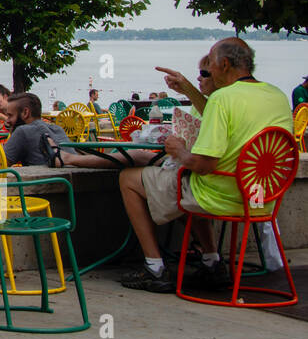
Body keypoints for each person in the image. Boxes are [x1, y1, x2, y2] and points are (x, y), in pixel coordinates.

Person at [120, 38, 292, 292]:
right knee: (189, 181)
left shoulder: (223, 99)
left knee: (129, 178)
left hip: (221, 196)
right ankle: (212, 262)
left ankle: (154, 268)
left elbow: (202, 165)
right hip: (262, 198)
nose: (207, 71)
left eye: (209, 65)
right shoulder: (276, 95)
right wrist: (189, 89)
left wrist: (179, 151)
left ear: (223, 64)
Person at [0, 93, 72, 167]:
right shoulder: (57, 129)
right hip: (69, 177)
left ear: (25, 113)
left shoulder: (23, 131)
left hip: (46, 178)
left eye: (10, 115)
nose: (7, 121)